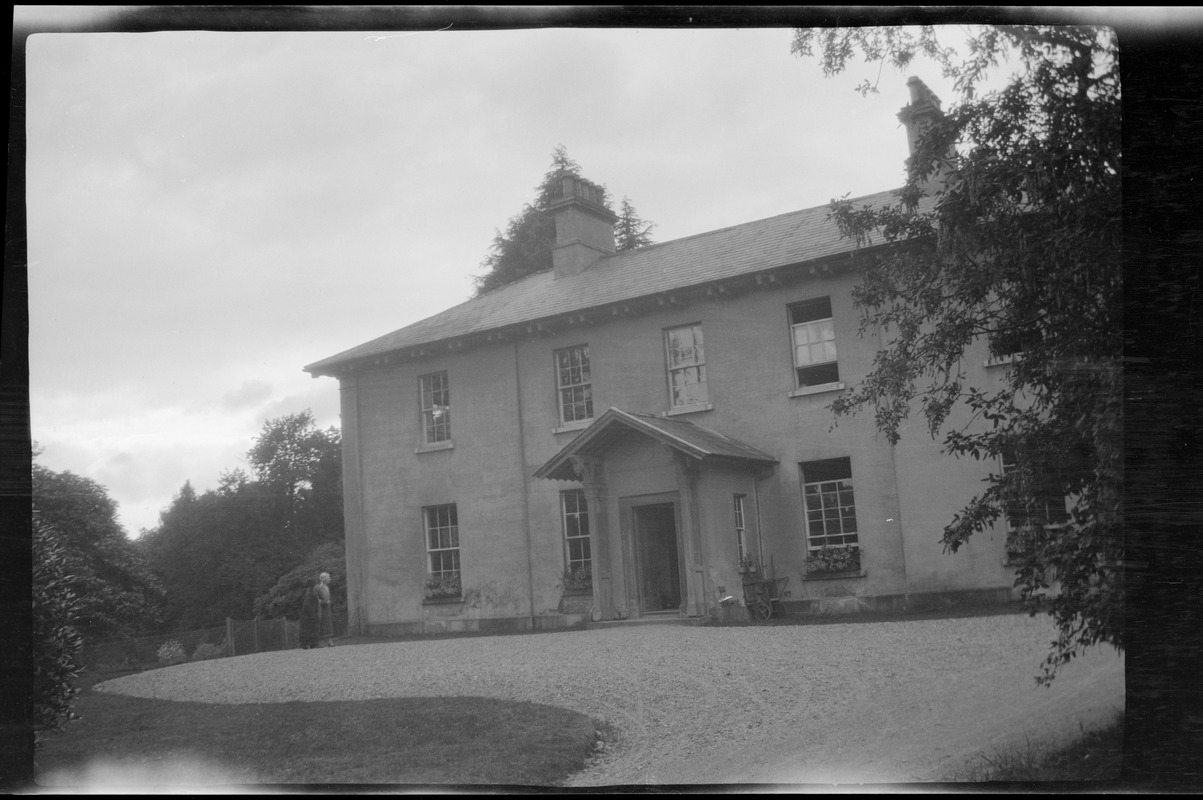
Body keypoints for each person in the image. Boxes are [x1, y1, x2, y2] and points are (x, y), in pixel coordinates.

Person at [298, 579, 320, 649]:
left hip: (308, 613)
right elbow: (308, 604)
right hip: (309, 614)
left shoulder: (310, 592)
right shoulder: (310, 593)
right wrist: (313, 613)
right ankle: (310, 644)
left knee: (308, 629)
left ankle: (311, 643)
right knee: (310, 628)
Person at [315, 571, 335, 648]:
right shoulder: (320, 588)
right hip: (322, 609)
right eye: (328, 578)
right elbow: (318, 600)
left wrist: (328, 602)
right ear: (325, 579)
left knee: (328, 624)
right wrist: (326, 602)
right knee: (322, 624)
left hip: (327, 609)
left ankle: (329, 641)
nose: (330, 579)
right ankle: (321, 641)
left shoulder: (327, 587)